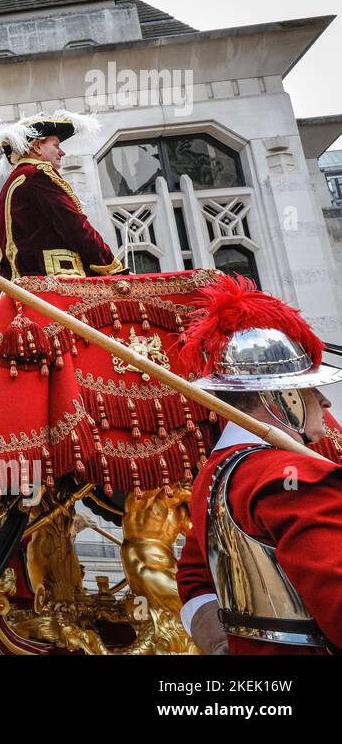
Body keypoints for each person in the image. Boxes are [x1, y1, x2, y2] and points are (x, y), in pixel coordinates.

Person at [176, 274, 342, 654]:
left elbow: (193, 577)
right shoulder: (296, 477)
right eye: (311, 388)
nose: (325, 402)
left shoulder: (214, 473)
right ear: (280, 396)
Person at [0, 111, 123, 281]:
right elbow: (75, 227)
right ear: (37, 146)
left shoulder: (16, 180)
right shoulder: (38, 174)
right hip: (52, 280)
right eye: (56, 145)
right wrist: (113, 267)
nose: (62, 153)